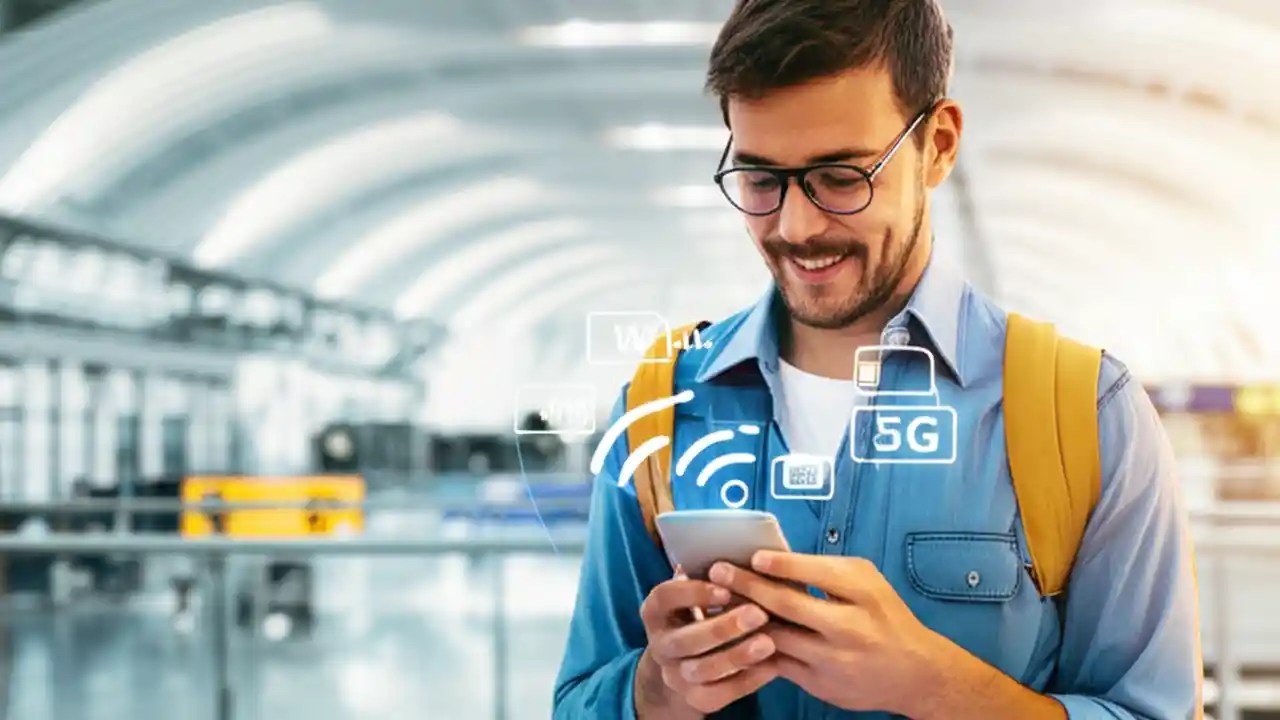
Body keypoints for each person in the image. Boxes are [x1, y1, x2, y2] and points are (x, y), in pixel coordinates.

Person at [553, 1, 1202, 718]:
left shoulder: (1085, 414)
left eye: (840, 176)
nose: (796, 227)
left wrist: (935, 685)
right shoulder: (664, 407)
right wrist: (656, 690)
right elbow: (581, 699)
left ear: (940, 145)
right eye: (761, 179)